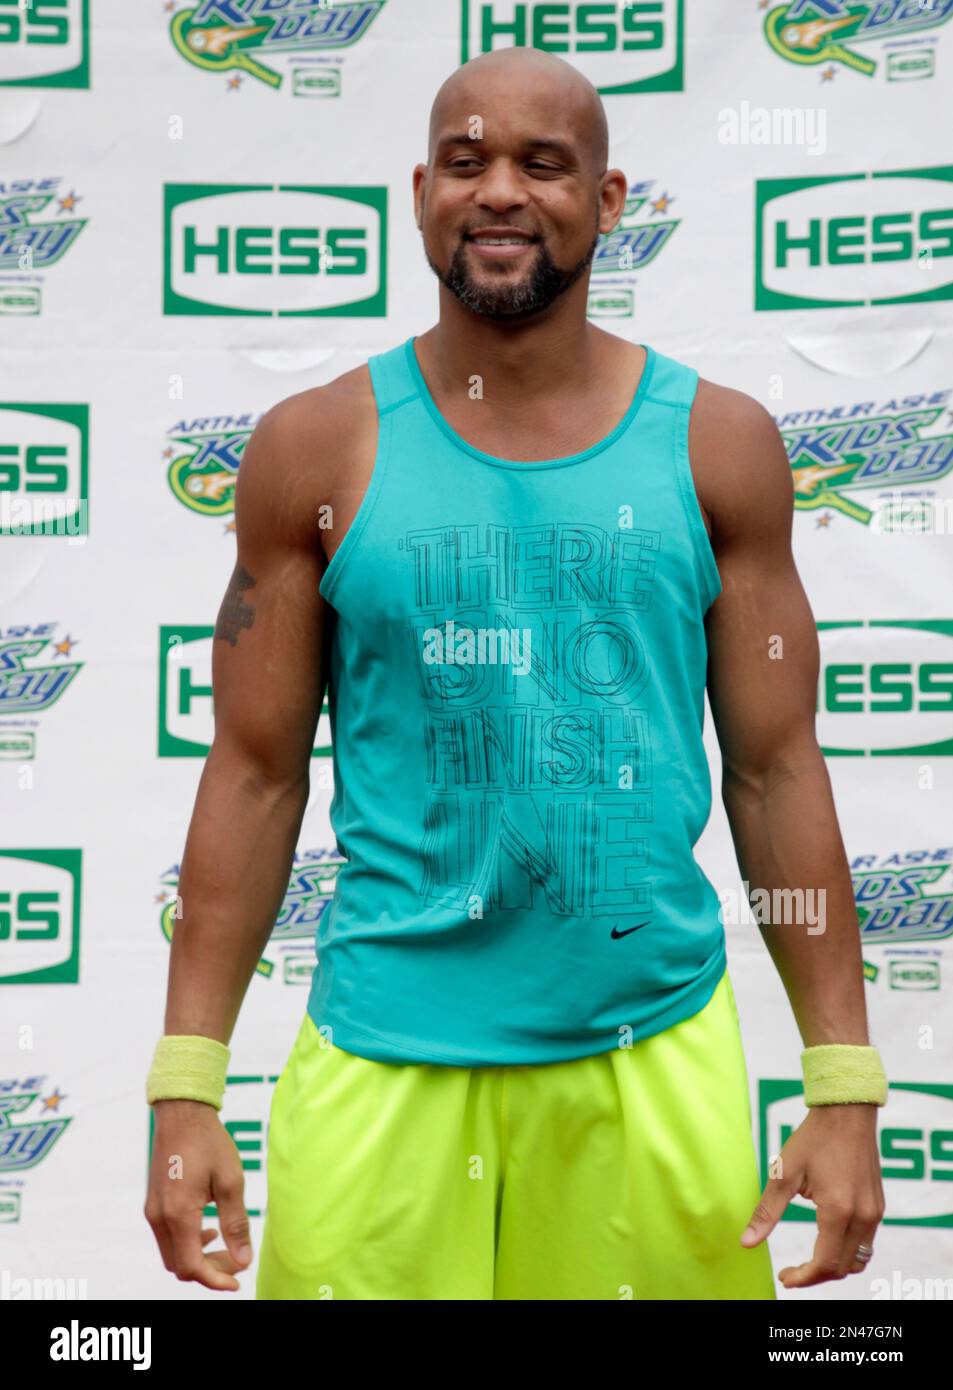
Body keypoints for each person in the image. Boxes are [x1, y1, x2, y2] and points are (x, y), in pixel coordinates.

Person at [144, 46, 887, 1301]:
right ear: (418, 190)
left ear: (606, 202)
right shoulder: (312, 448)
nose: (498, 192)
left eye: (542, 164)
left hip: (645, 1056)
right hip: (382, 1065)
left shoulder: (718, 446)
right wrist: (184, 1083)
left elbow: (772, 767)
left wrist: (843, 1081)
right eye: (464, 161)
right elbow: (255, 775)